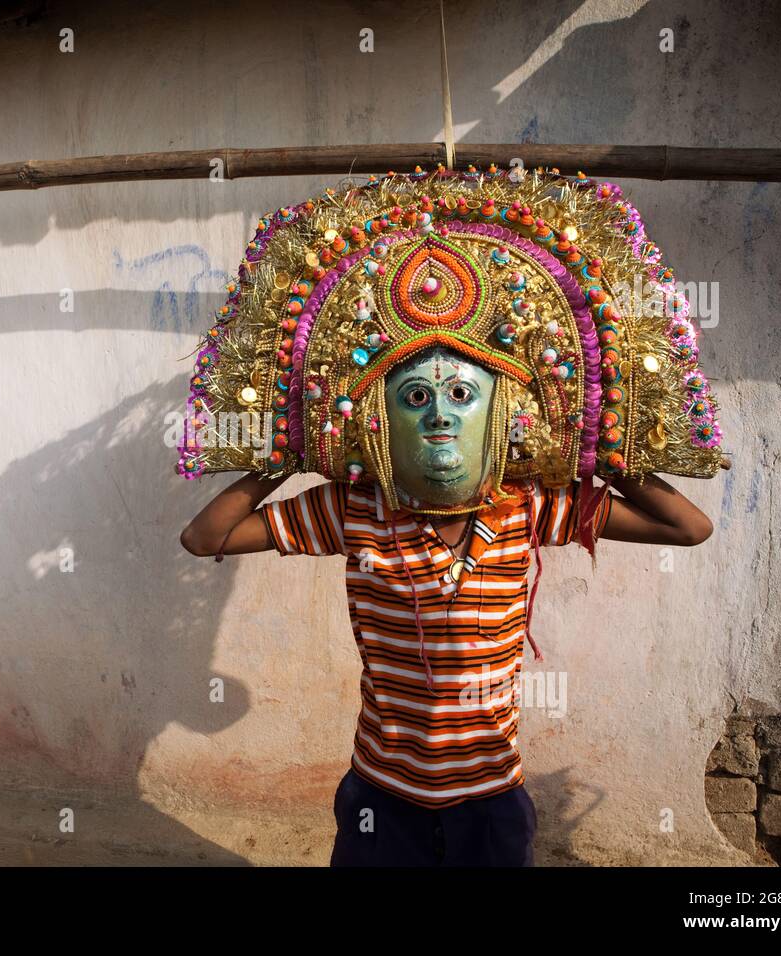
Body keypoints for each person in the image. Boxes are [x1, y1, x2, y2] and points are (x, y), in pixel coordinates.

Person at [176, 166, 726, 865]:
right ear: (376, 419)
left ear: (503, 412)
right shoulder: (352, 511)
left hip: (490, 797)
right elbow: (205, 538)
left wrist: (602, 445)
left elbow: (689, 528)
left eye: (463, 393)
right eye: (414, 399)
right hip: (382, 793)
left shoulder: (530, 506)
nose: (438, 414)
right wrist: (280, 454)